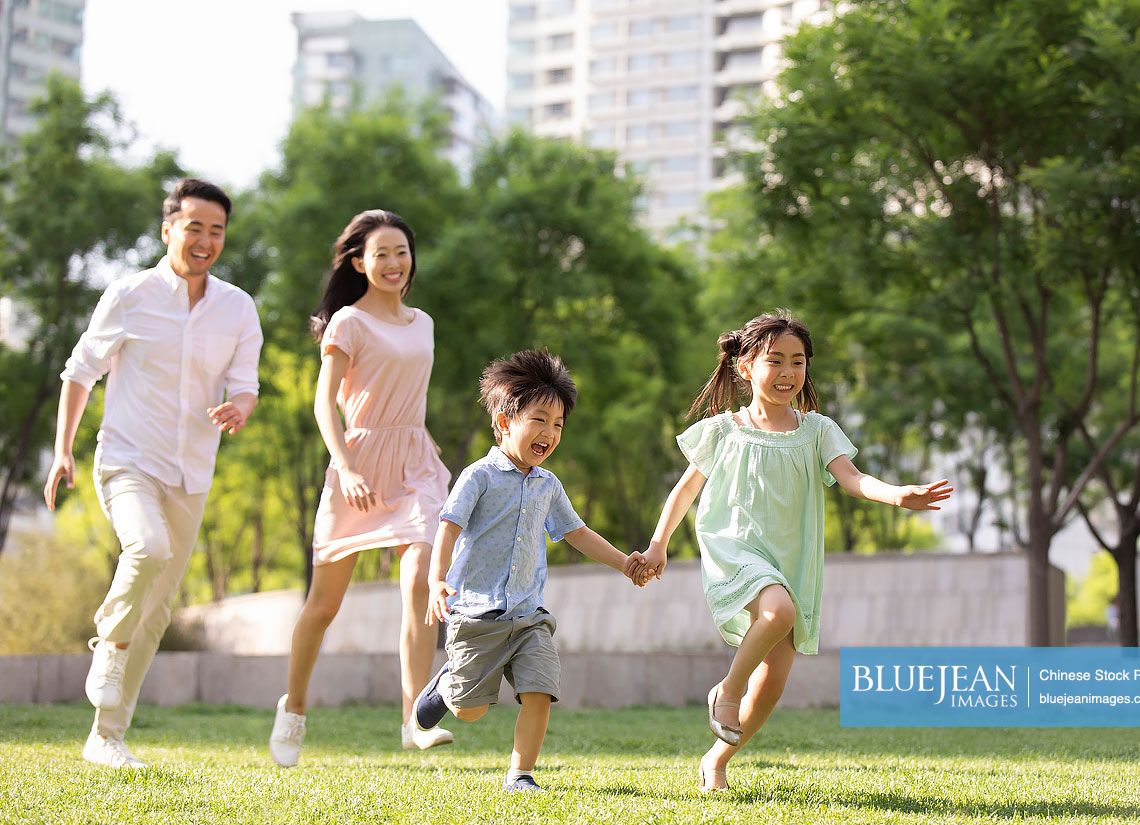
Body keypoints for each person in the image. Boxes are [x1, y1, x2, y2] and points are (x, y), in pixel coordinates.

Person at [639, 310, 952, 792]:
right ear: (746, 368)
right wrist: (658, 545)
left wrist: (897, 495)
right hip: (735, 545)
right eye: (775, 361)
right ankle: (727, 688)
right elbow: (684, 492)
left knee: (773, 685)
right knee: (777, 610)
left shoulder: (818, 430)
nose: (788, 373)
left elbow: (853, 479)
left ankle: (717, 760)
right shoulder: (723, 430)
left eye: (798, 362)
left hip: (793, 559)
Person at [43, 178, 263, 769]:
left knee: (160, 609)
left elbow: (246, 383)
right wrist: (64, 449)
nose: (205, 240)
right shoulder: (130, 294)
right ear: (168, 229)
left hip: (192, 472)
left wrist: (239, 406)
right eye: (194, 227)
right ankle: (108, 643)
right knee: (147, 547)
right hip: (127, 459)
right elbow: (80, 370)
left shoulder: (237, 308)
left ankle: (106, 736)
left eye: (216, 230)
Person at [412, 349, 651, 792]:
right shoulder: (478, 476)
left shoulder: (549, 484)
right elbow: (448, 528)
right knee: (470, 710)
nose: (550, 432)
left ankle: (520, 775)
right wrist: (436, 579)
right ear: (505, 422)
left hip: (528, 615)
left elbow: (576, 532)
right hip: (475, 614)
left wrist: (624, 563)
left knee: (540, 691)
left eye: (558, 424)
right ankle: (446, 687)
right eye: (539, 420)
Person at [268, 210, 456, 767]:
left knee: (422, 578)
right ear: (358, 262)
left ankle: (413, 718)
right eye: (381, 254)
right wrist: (345, 465)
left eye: (402, 252)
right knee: (323, 606)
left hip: (415, 464)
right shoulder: (347, 322)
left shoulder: (422, 322)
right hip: (360, 464)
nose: (394, 263)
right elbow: (325, 402)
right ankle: (294, 707)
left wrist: (423, 438)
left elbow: (406, 392)